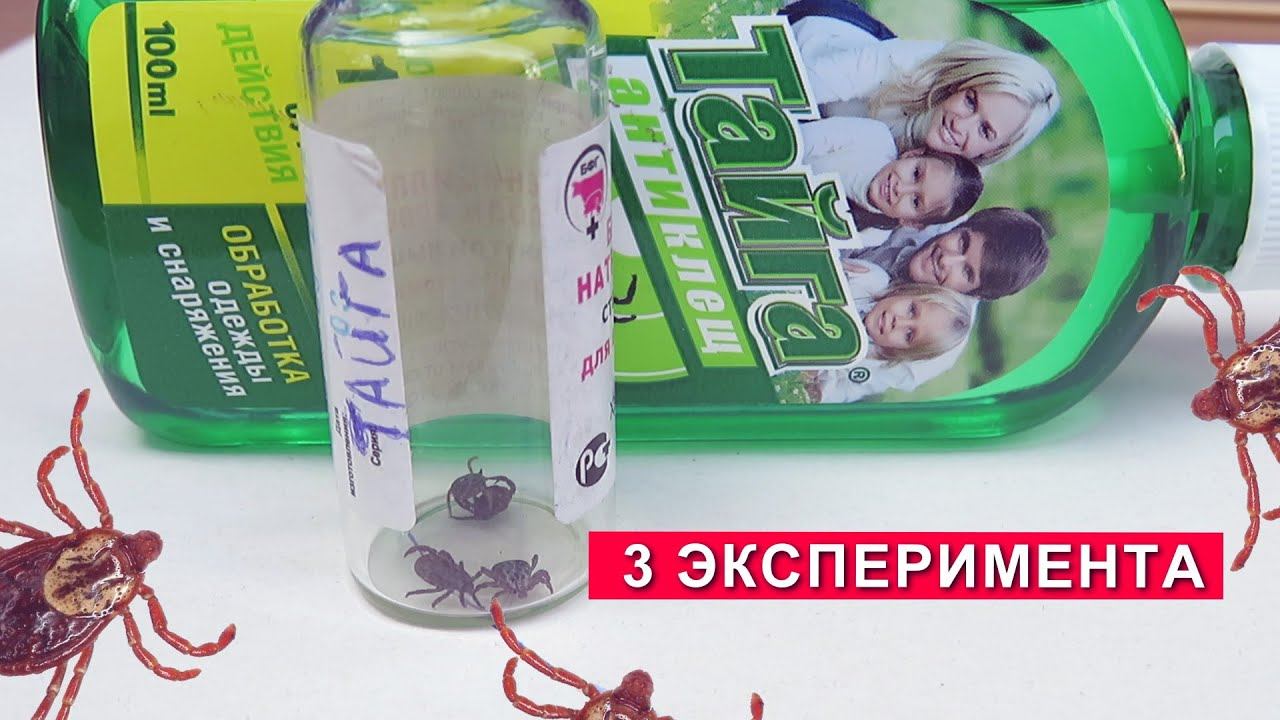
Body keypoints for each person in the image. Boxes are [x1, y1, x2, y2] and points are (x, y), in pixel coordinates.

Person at [784, 2, 1060, 166]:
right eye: (970, 101)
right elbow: (800, 83)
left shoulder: (949, 186)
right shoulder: (913, 65)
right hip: (810, 43)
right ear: (959, 81)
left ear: (993, 151)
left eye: (985, 130)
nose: (960, 125)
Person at [801, 116, 983, 245]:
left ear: (911, 222)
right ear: (912, 154)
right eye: (916, 173)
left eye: (915, 201)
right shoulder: (872, 138)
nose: (900, 189)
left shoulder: (874, 234)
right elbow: (800, 140)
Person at [802, 281, 974, 403]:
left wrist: (818, 390)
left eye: (909, 335)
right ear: (906, 291)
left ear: (901, 350)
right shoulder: (867, 282)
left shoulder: (872, 364)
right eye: (911, 310)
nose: (898, 322)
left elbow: (840, 392)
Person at [844, 206, 1051, 300]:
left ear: (973, 294)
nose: (946, 260)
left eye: (967, 272)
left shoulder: (925, 335)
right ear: (960, 226)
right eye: (962, 243)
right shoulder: (925, 213)